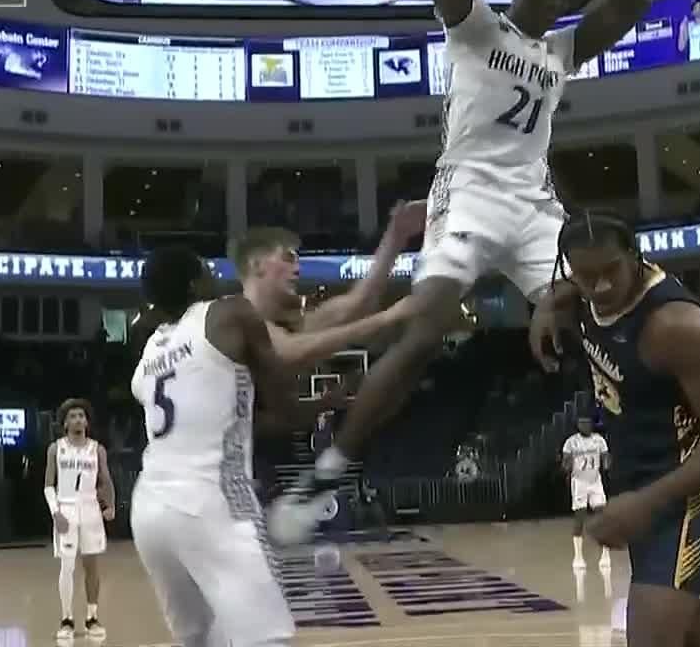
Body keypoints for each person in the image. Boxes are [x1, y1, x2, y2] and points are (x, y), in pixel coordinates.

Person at [271, 0, 653, 542]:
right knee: (425, 333)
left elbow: (633, 2)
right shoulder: (477, 29)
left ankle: (671, 465)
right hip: (468, 193)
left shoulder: (561, 50)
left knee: (618, 318)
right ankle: (328, 471)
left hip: (534, 206)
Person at [534, 210, 700, 647]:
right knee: (695, 636)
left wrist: (645, 502)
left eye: (611, 271)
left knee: (651, 637)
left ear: (635, 257)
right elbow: (567, 287)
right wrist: (545, 305)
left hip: (695, 488)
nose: (600, 286)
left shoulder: (675, 326)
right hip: (646, 481)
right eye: (585, 275)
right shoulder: (580, 293)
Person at [128, 245, 306, 646]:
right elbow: (287, 408)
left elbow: (211, 417)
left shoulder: (150, 351)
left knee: (199, 639)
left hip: (150, 510)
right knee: (267, 637)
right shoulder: (230, 312)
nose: (215, 274)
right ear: (195, 282)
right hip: (213, 501)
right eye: (207, 269)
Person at [231, 200, 426, 370]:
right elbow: (291, 351)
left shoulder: (280, 326)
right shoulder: (228, 315)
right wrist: (385, 318)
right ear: (256, 265)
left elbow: (356, 305)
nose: (298, 269)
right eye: (288, 259)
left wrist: (396, 235)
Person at [44, 398, 116, 641]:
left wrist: (110, 504)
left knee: (91, 566)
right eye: (73, 416)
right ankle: (66, 619)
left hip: (91, 509)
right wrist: (56, 512)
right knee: (67, 566)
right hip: (66, 508)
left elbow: (105, 480)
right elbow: (48, 486)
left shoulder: (97, 449)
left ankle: (92, 617)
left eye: (81, 416)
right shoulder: (56, 448)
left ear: (87, 421)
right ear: (65, 423)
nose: (78, 420)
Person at [561, 415, 611, 569]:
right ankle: (578, 556)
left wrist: (607, 463)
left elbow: (606, 456)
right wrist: (566, 465)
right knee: (580, 516)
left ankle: (605, 555)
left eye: (587, 422)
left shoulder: (599, 440)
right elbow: (565, 461)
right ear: (577, 424)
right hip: (579, 482)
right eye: (581, 423)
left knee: (602, 515)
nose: (585, 425)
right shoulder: (571, 442)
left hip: (595, 481)